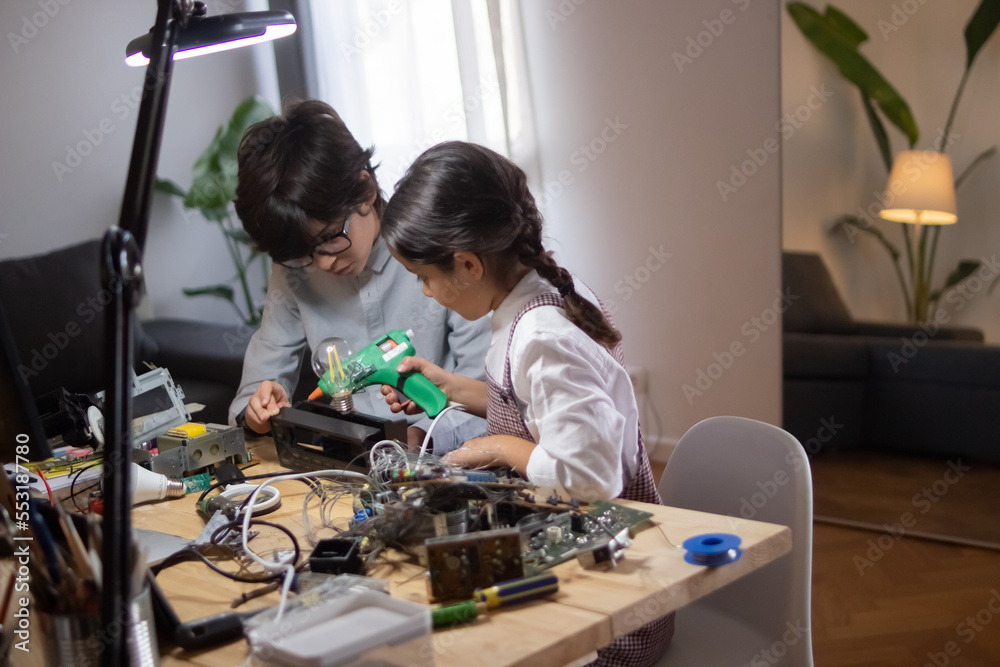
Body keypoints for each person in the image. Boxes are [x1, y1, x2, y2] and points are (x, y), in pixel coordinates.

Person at [378, 141, 672, 665]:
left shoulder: (541, 335)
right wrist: (450, 387)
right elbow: (537, 404)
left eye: (424, 278)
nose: (425, 293)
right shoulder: (543, 291)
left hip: (613, 616)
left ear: (467, 264)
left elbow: (591, 475)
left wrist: (498, 448)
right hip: (597, 565)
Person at [228, 100, 488, 450]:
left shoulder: (436, 243)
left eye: (329, 239)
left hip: (451, 458)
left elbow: (492, 396)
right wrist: (258, 413)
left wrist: (423, 437)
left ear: (364, 189)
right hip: (350, 467)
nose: (321, 264)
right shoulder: (295, 267)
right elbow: (250, 398)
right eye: (304, 254)